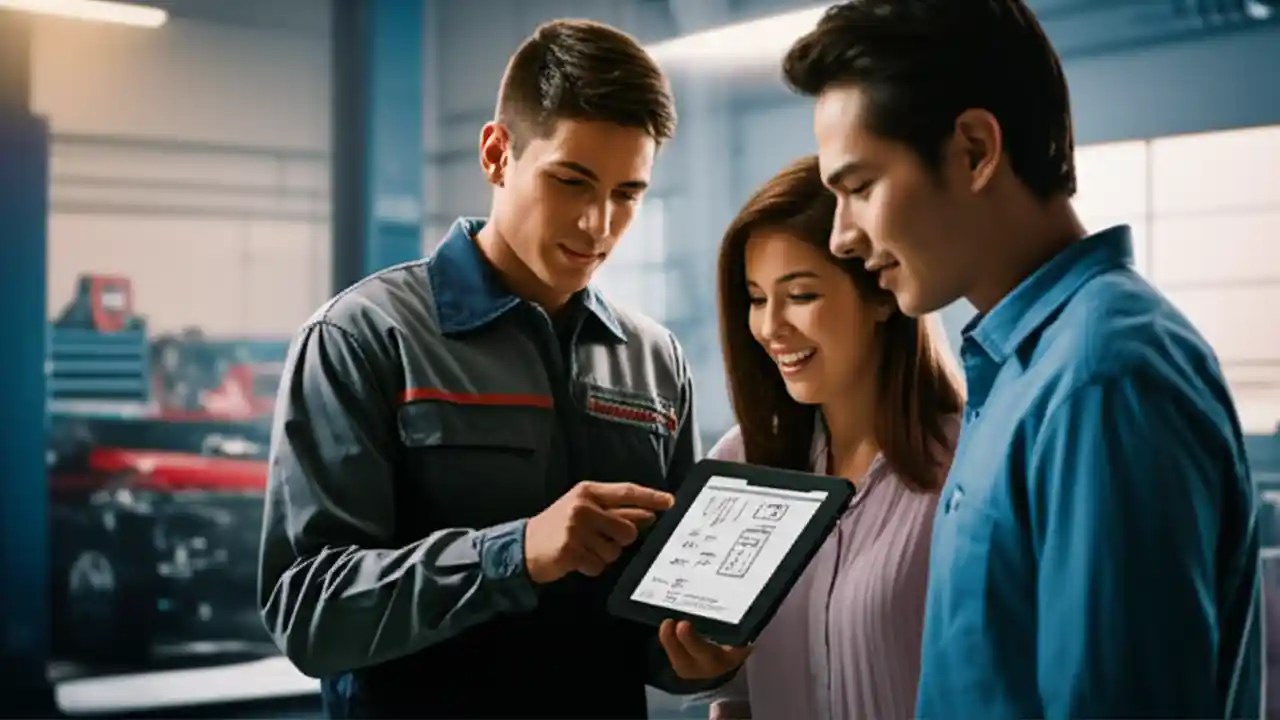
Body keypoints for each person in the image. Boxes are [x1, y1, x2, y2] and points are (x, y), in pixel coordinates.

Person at [782, 1, 1261, 717]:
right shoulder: (1019, 367)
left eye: (859, 188)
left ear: (975, 150)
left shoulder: (1100, 374)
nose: (843, 237)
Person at [257, 19, 747, 719]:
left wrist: (688, 655)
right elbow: (309, 612)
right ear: (497, 153)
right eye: (571, 181)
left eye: (627, 194)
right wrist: (514, 553)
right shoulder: (362, 339)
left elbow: (654, 619)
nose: (598, 225)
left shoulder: (653, 363)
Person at [698, 156, 963, 720]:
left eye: (800, 295)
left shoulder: (969, 463)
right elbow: (735, 694)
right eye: (756, 297)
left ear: (882, 294)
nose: (771, 328)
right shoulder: (738, 463)